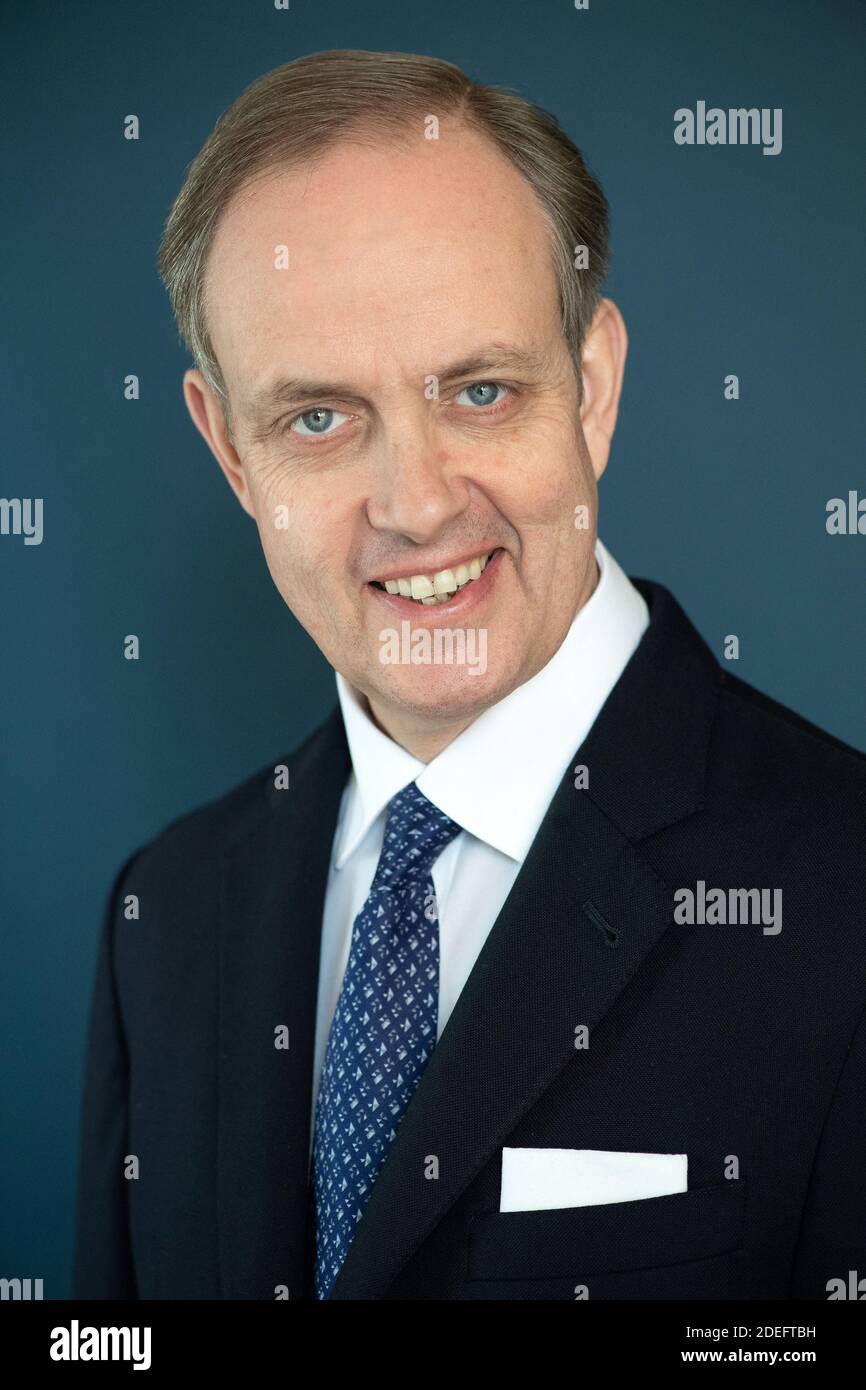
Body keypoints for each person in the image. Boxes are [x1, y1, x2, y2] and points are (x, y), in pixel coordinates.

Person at [73, 49, 866, 1301]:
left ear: (592, 388)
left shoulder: (844, 895)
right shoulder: (162, 919)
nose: (418, 502)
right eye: (318, 419)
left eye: (481, 390)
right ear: (232, 454)